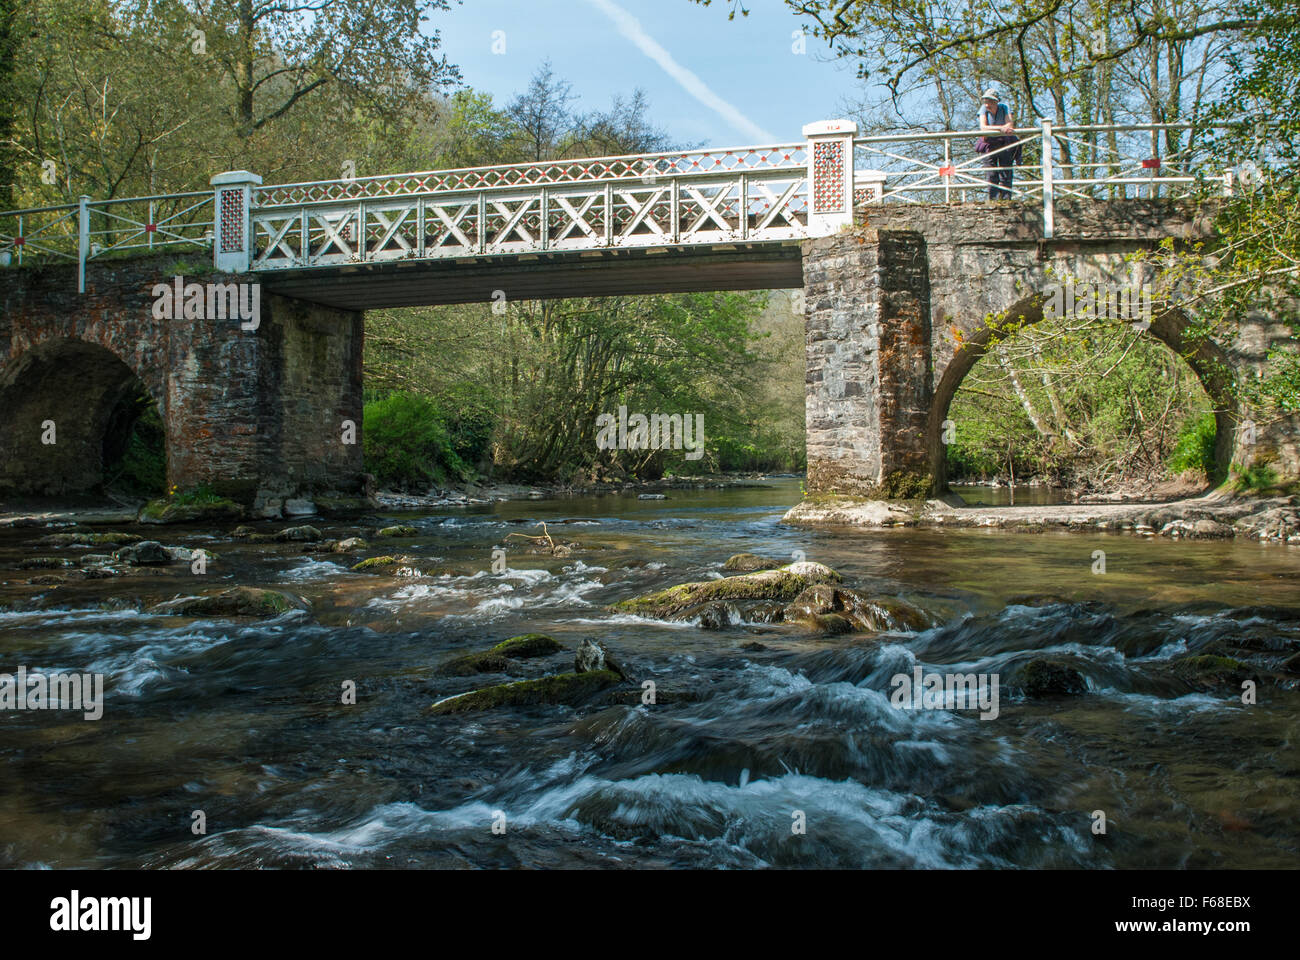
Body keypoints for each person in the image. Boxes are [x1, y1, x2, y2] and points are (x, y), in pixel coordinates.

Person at [977, 89, 1019, 200]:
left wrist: (1006, 127)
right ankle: (993, 200)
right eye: (985, 101)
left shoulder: (1004, 108)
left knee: (1006, 172)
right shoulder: (983, 109)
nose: (987, 104)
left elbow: (1010, 123)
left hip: (1004, 143)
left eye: (989, 102)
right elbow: (983, 127)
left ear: (996, 102)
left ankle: (1006, 199)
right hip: (989, 144)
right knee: (991, 174)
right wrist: (1001, 128)